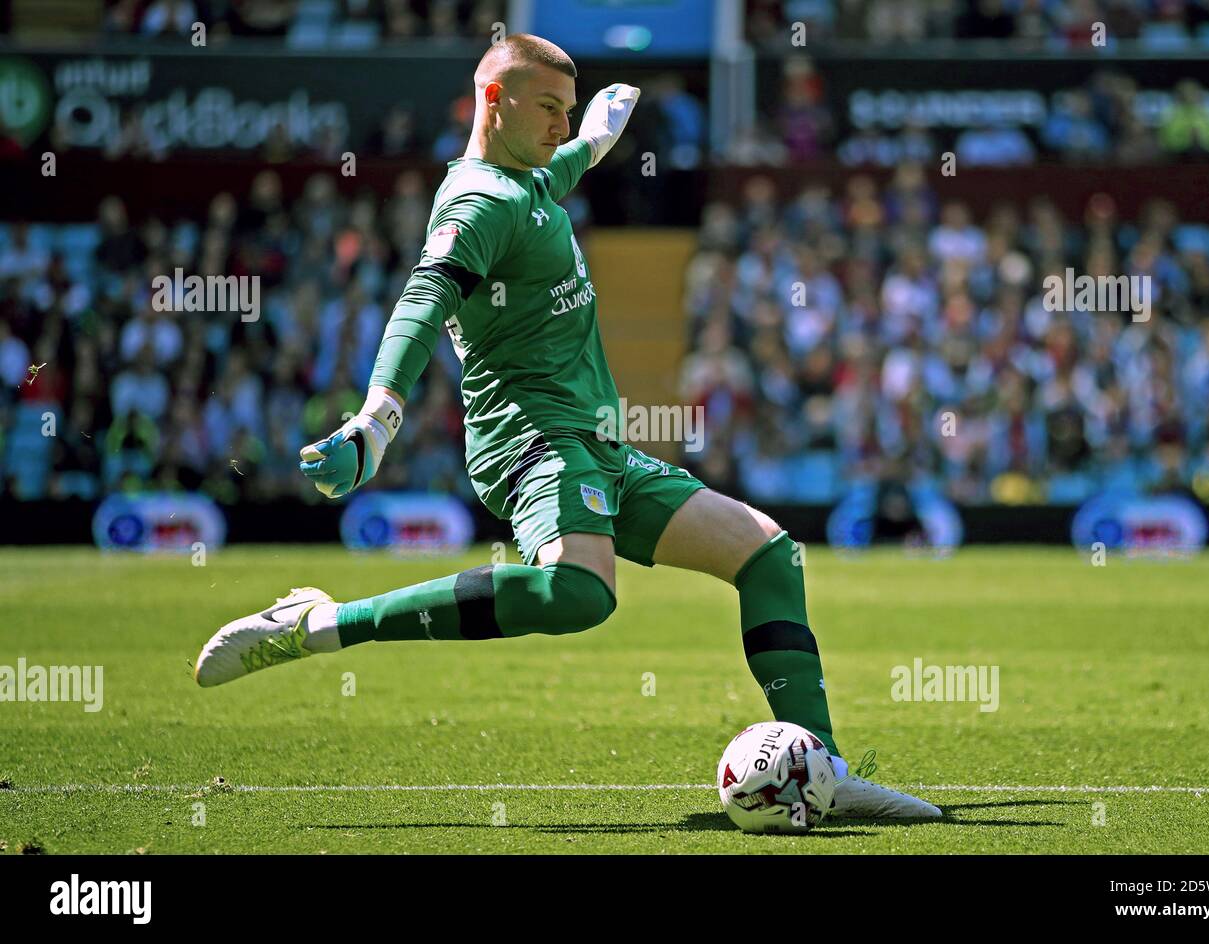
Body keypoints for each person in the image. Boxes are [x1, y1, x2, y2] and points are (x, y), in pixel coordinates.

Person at [193, 33, 940, 820]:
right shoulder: (480, 201)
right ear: (493, 100)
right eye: (547, 106)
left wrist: (594, 140)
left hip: (596, 442)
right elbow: (423, 300)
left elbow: (555, 172)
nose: (560, 122)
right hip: (532, 438)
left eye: (567, 108)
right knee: (578, 594)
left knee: (768, 554)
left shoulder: (527, 179)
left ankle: (826, 767)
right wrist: (378, 419)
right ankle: (319, 625)